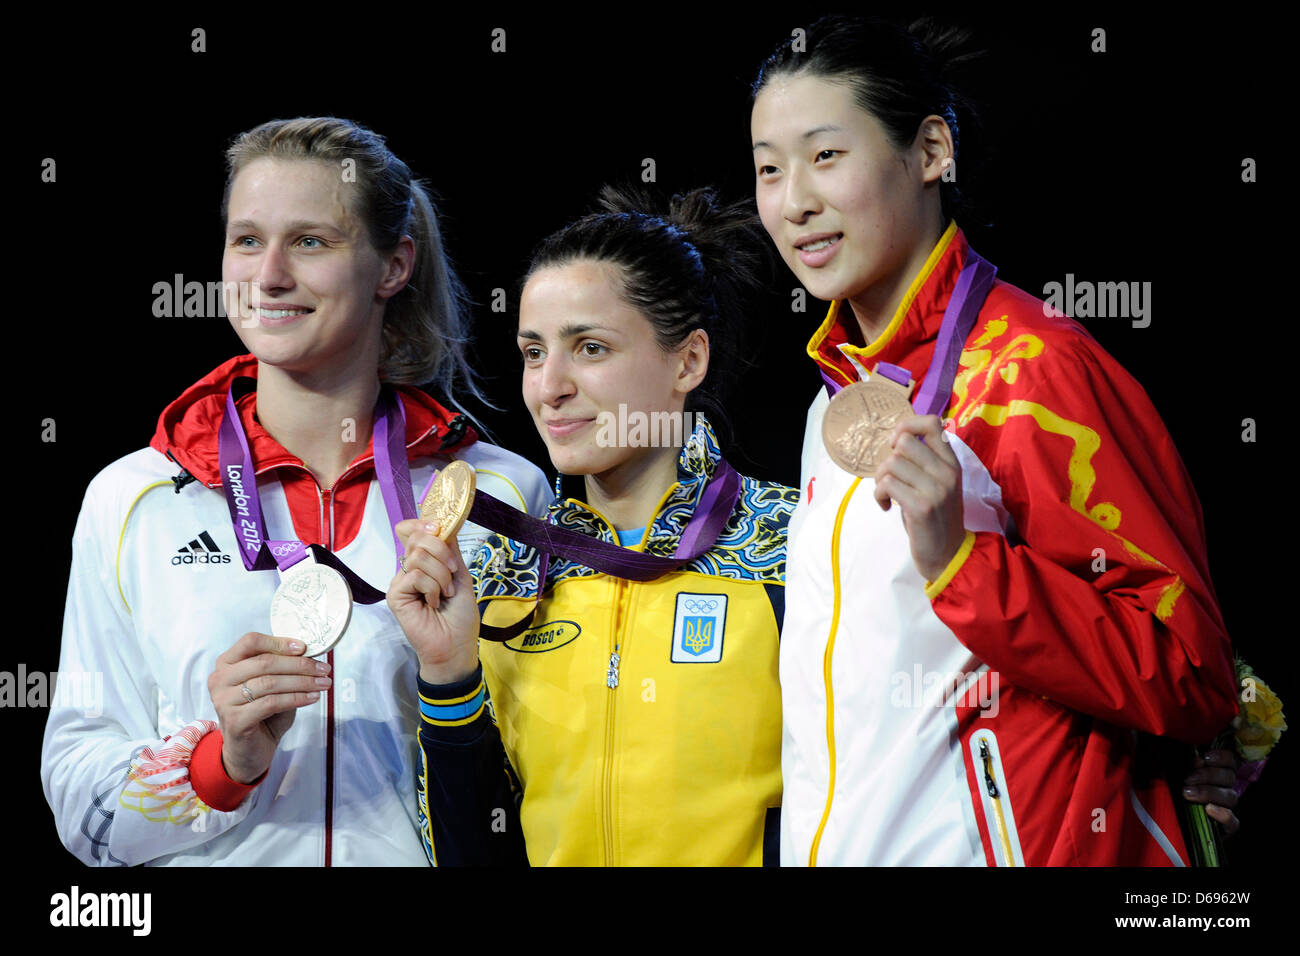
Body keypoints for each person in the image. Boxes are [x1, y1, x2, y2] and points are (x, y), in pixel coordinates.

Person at [749, 15, 1243, 866]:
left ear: (932, 150)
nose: (793, 200)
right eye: (767, 168)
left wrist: (964, 563)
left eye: (826, 156)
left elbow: (1187, 668)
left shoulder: (1034, 372)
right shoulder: (831, 402)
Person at [40, 117, 548, 866]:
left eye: (310, 241)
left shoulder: (502, 492)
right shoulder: (134, 500)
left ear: (392, 266)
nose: (269, 275)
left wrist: (453, 686)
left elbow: (545, 776)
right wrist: (223, 764)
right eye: (247, 239)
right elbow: (82, 804)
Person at [388, 186, 797, 865]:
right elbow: (468, 854)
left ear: (687, 360)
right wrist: (449, 671)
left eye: (590, 348)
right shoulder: (500, 580)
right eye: (534, 352)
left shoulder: (797, 548)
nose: (550, 387)